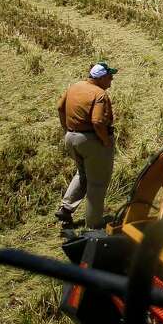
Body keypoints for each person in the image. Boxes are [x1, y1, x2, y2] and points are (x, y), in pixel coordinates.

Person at [54, 62, 118, 228]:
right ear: (101, 77)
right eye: (109, 76)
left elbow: (60, 107)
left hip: (71, 138)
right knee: (97, 183)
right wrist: (104, 140)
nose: (111, 79)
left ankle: (66, 209)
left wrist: (66, 129)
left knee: (82, 174)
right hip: (91, 141)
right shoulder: (100, 94)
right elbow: (97, 121)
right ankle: (94, 224)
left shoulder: (75, 87)